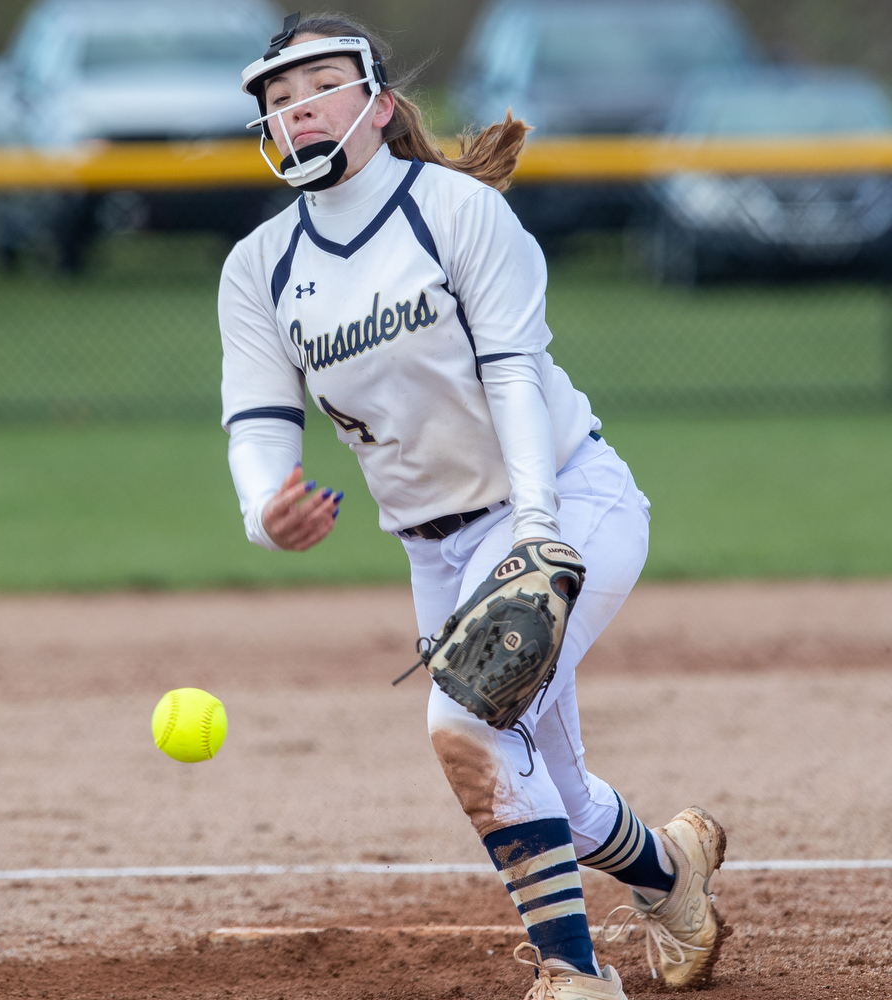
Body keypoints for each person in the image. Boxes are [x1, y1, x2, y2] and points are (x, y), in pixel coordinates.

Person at [219, 12, 727, 999]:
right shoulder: (260, 266)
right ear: (266, 127)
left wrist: (537, 530)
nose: (299, 107)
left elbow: (514, 377)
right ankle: (674, 876)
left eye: (321, 85)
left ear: (376, 103)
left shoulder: (454, 211)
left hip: (564, 502)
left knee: (468, 724)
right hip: (435, 551)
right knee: (558, 793)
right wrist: (263, 509)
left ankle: (573, 975)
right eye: (279, 97)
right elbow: (258, 424)